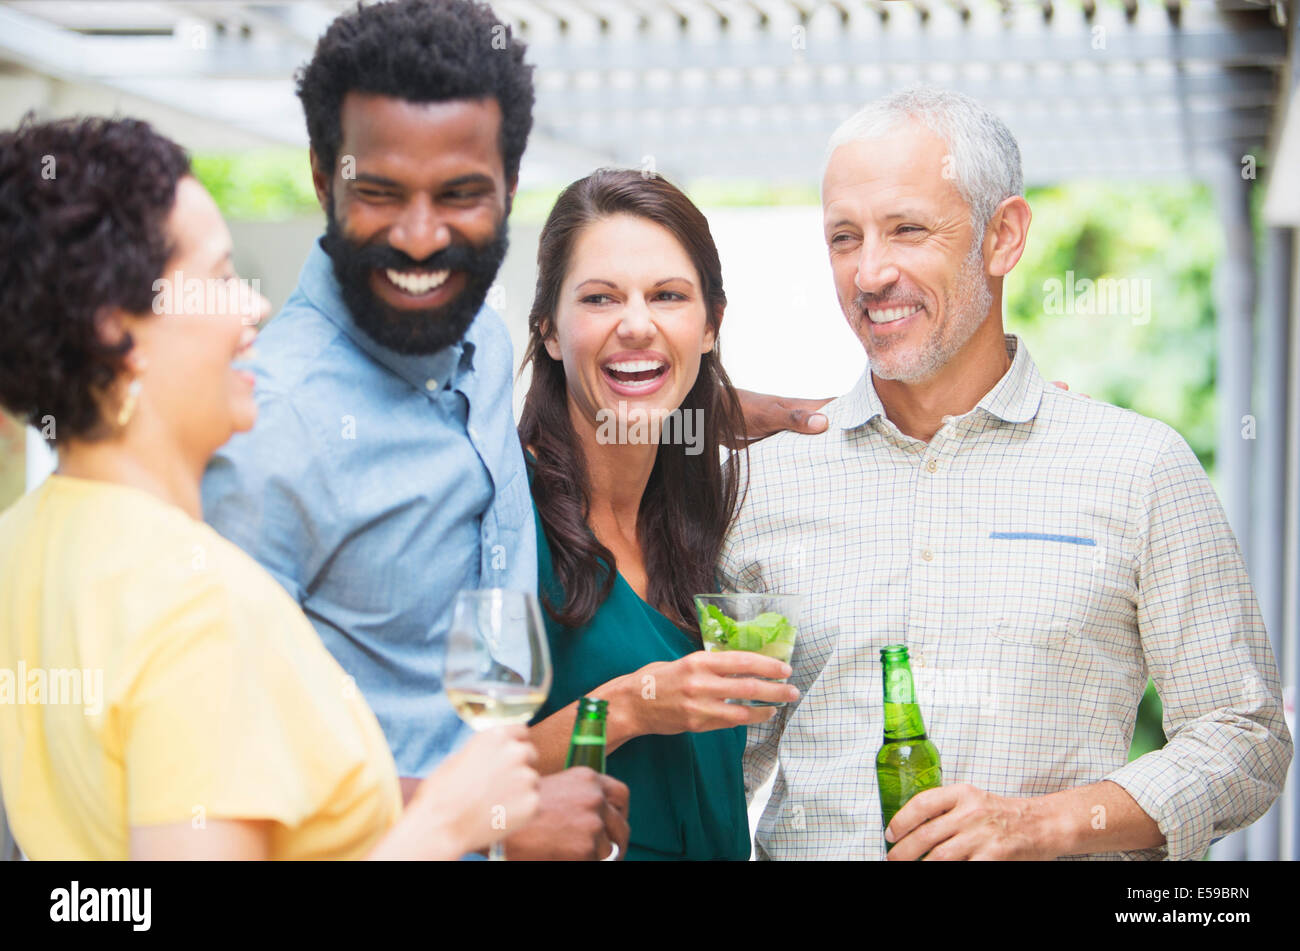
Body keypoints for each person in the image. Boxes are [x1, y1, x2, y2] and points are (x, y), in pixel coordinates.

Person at [199, 0, 821, 858]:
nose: (421, 238)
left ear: (507, 190)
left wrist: (857, 410)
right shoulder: (261, 427)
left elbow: (618, 388)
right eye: (381, 192)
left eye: (460, 194)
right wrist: (494, 811)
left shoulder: (477, 343)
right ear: (320, 177)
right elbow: (210, 772)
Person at [721, 86, 1293, 860]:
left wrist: (1046, 823)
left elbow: (1246, 734)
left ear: (1004, 236)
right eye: (844, 238)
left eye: (908, 229)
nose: (870, 272)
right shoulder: (761, 487)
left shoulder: (1137, 467)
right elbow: (714, 764)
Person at [0, 114, 540, 860]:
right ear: (115, 333)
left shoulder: (24, 540)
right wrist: (443, 823)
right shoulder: (202, 605)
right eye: (220, 279)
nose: (254, 308)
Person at [521, 169, 799, 861]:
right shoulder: (502, 516)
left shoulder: (703, 519)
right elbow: (434, 782)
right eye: (600, 298)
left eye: (668, 296)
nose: (637, 323)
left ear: (710, 326)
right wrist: (632, 706)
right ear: (550, 332)